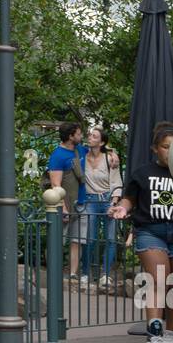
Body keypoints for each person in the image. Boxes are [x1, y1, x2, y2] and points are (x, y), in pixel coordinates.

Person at [110, 122, 173, 343]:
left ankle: (171, 332)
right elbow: (128, 200)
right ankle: (153, 336)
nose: (171, 151)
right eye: (166, 147)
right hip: (151, 231)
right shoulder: (142, 173)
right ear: (155, 148)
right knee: (158, 281)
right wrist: (121, 209)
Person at [80, 127, 123, 289]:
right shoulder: (82, 155)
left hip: (108, 199)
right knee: (89, 239)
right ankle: (85, 273)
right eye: (89, 134)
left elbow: (117, 182)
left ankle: (105, 274)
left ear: (102, 142)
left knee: (110, 238)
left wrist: (114, 202)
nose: (90, 137)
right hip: (90, 200)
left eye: (94, 136)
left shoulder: (110, 158)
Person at [46, 121, 86, 285]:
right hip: (65, 205)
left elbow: (99, 152)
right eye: (78, 134)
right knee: (58, 240)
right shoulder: (58, 155)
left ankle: (72, 274)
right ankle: (52, 274)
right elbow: (56, 184)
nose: (81, 136)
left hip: (81, 203)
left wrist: (111, 154)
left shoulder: (80, 150)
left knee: (77, 240)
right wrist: (62, 207)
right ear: (71, 136)